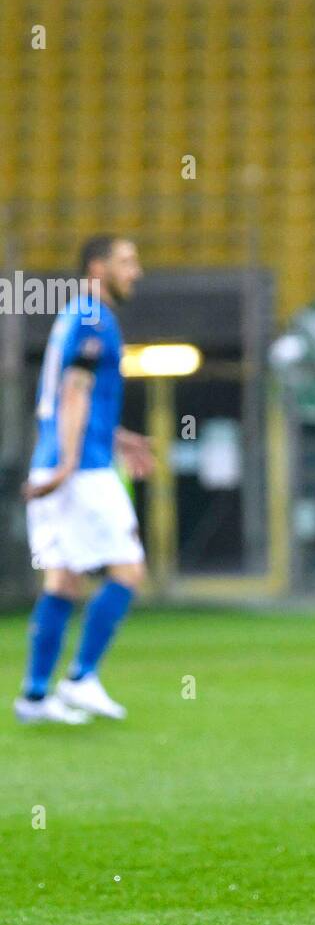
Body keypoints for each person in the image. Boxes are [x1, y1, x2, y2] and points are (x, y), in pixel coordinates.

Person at [15, 235, 153, 725]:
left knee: (63, 578)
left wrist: (117, 436)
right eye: (127, 261)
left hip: (61, 457)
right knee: (128, 568)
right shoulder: (96, 316)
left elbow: (70, 395)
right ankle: (81, 678)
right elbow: (75, 390)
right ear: (98, 267)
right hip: (83, 469)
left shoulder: (72, 315)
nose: (136, 271)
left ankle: (34, 696)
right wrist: (72, 464)